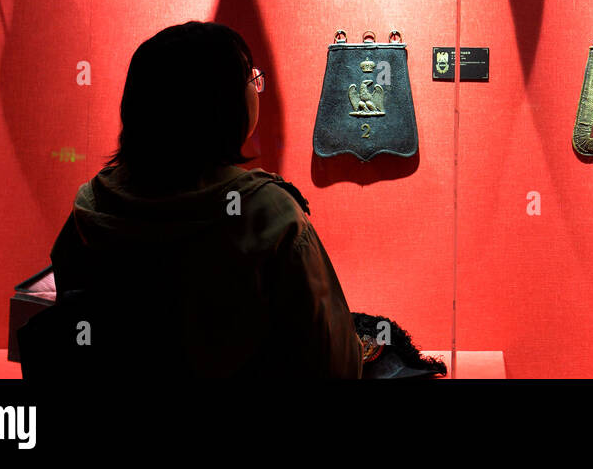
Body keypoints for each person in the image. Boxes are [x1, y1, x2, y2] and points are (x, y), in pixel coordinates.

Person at [39, 20, 363, 378]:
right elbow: (336, 363)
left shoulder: (91, 206)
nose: (256, 87)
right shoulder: (270, 215)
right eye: (250, 78)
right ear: (223, 105)